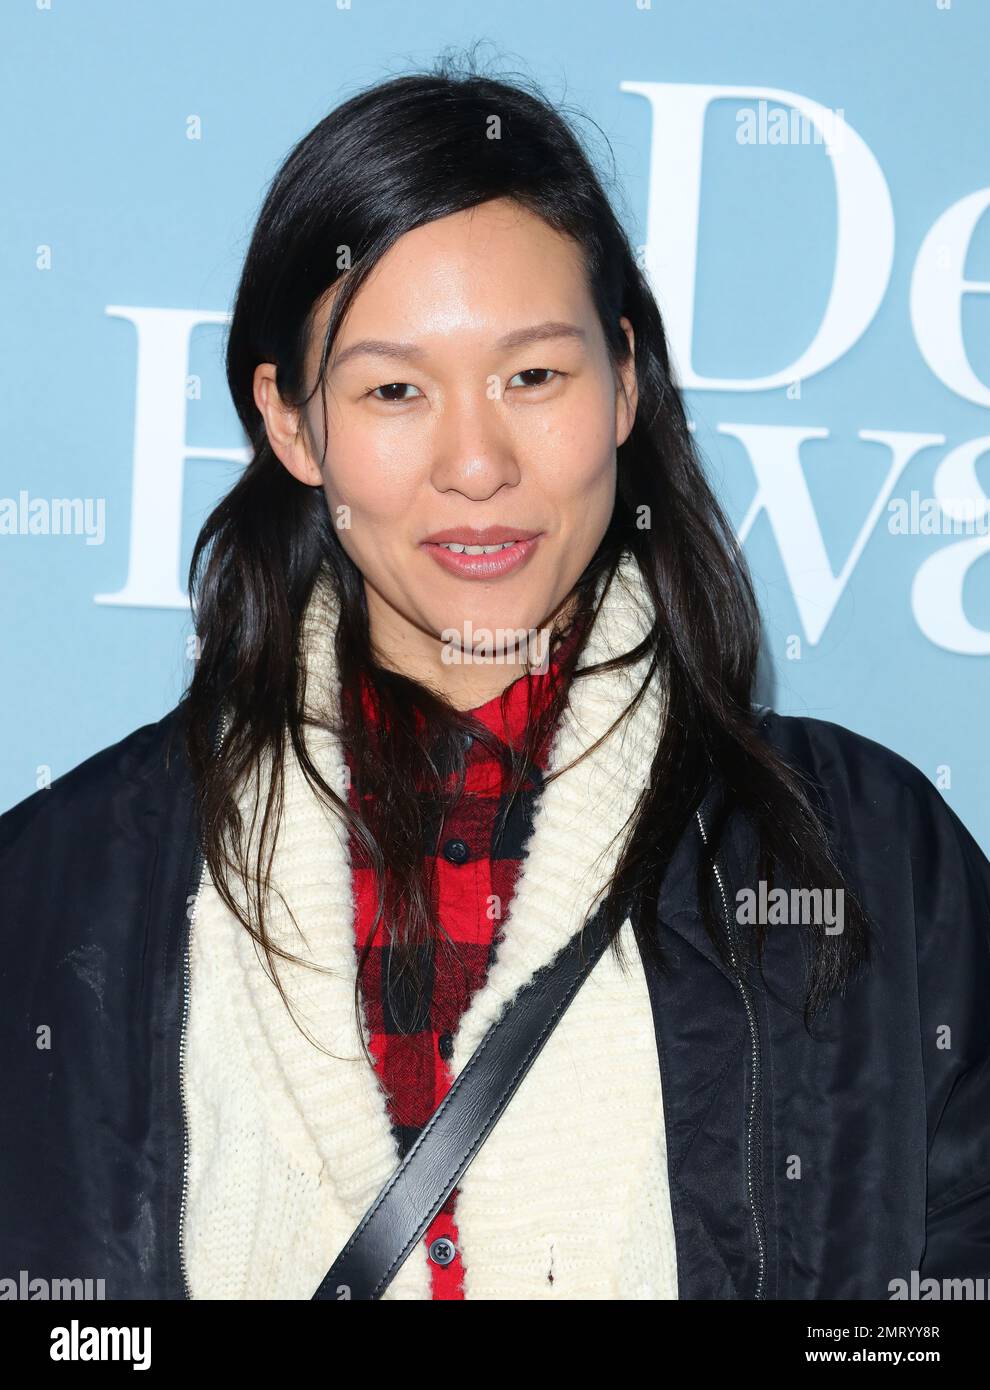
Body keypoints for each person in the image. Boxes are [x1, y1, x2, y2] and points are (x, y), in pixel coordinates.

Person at [2, 57, 988, 1303]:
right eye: (396, 389)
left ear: (626, 379)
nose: (477, 462)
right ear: (292, 423)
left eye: (534, 376)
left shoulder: (864, 854)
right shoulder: (61, 887)